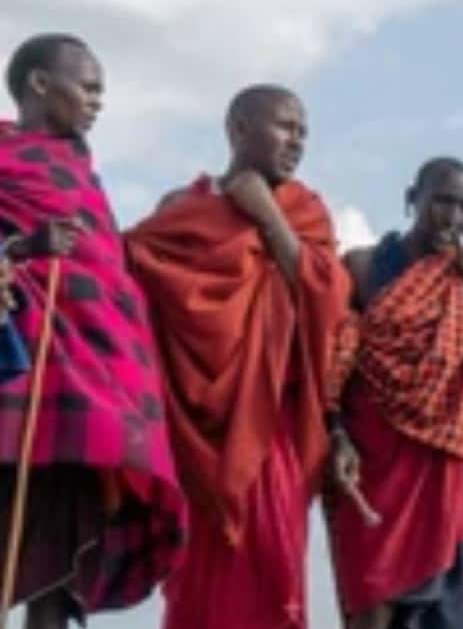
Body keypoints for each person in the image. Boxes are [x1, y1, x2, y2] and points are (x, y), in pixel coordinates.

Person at [125, 84, 350, 629]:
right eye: (284, 127)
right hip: (195, 431)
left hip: (273, 430)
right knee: (198, 584)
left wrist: (268, 216)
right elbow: (137, 277)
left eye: (303, 132)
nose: (296, 141)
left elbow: (329, 297)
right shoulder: (185, 209)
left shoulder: (305, 212)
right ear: (238, 129)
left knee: (274, 569)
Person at [0, 34, 185, 626]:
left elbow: (105, 263)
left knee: (62, 556)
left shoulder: (79, 167)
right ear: (39, 84)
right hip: (24, 375)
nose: (98, 101)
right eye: (88, 87)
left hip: (93, 376)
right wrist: (25, 247)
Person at [326, 157, 463, 628]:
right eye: (442, 201)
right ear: (413, 199)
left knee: (443, 610)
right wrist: (336, 434)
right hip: (373, 459)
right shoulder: (364, 268)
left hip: (444, 465)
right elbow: (333, 364)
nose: (452, 217)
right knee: (370, 599)